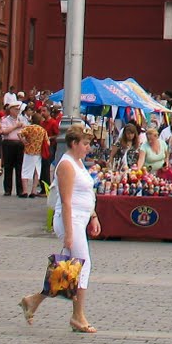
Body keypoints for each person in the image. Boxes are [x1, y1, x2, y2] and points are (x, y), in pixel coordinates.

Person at [20, 126, 100, 332]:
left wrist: (93, 216)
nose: (88, 148)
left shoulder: (78, 162)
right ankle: (77, 316)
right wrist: (69, 234)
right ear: (73, 144)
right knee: (83, 265)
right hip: (70, 219)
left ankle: (33, 301)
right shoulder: (66, 165)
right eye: (85, 144)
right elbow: (66, 201)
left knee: (66, 268)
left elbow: (86, 193)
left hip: (81, 218)